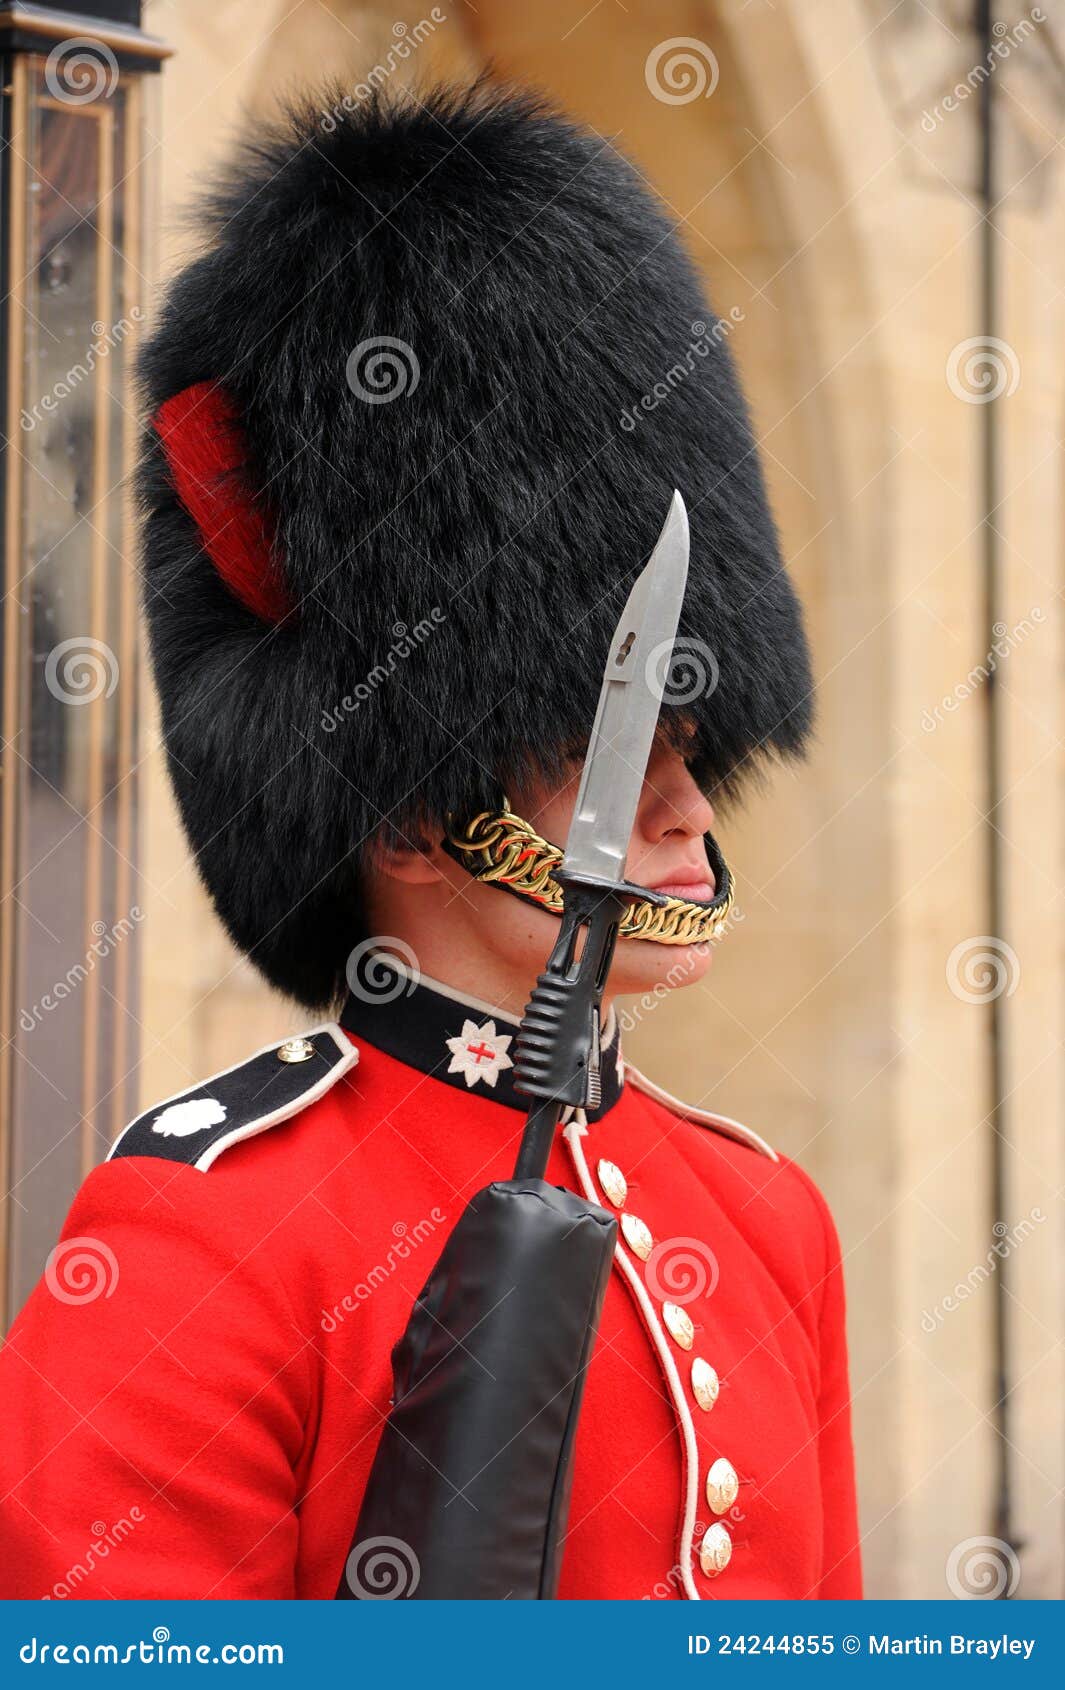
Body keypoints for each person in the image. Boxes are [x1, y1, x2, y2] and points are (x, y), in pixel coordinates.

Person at [0, 83, 861, 1601]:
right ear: (411, 808)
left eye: (690, 741)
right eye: (604, 745)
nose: (687, 808)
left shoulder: (768, 1217)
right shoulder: (203, 1231)